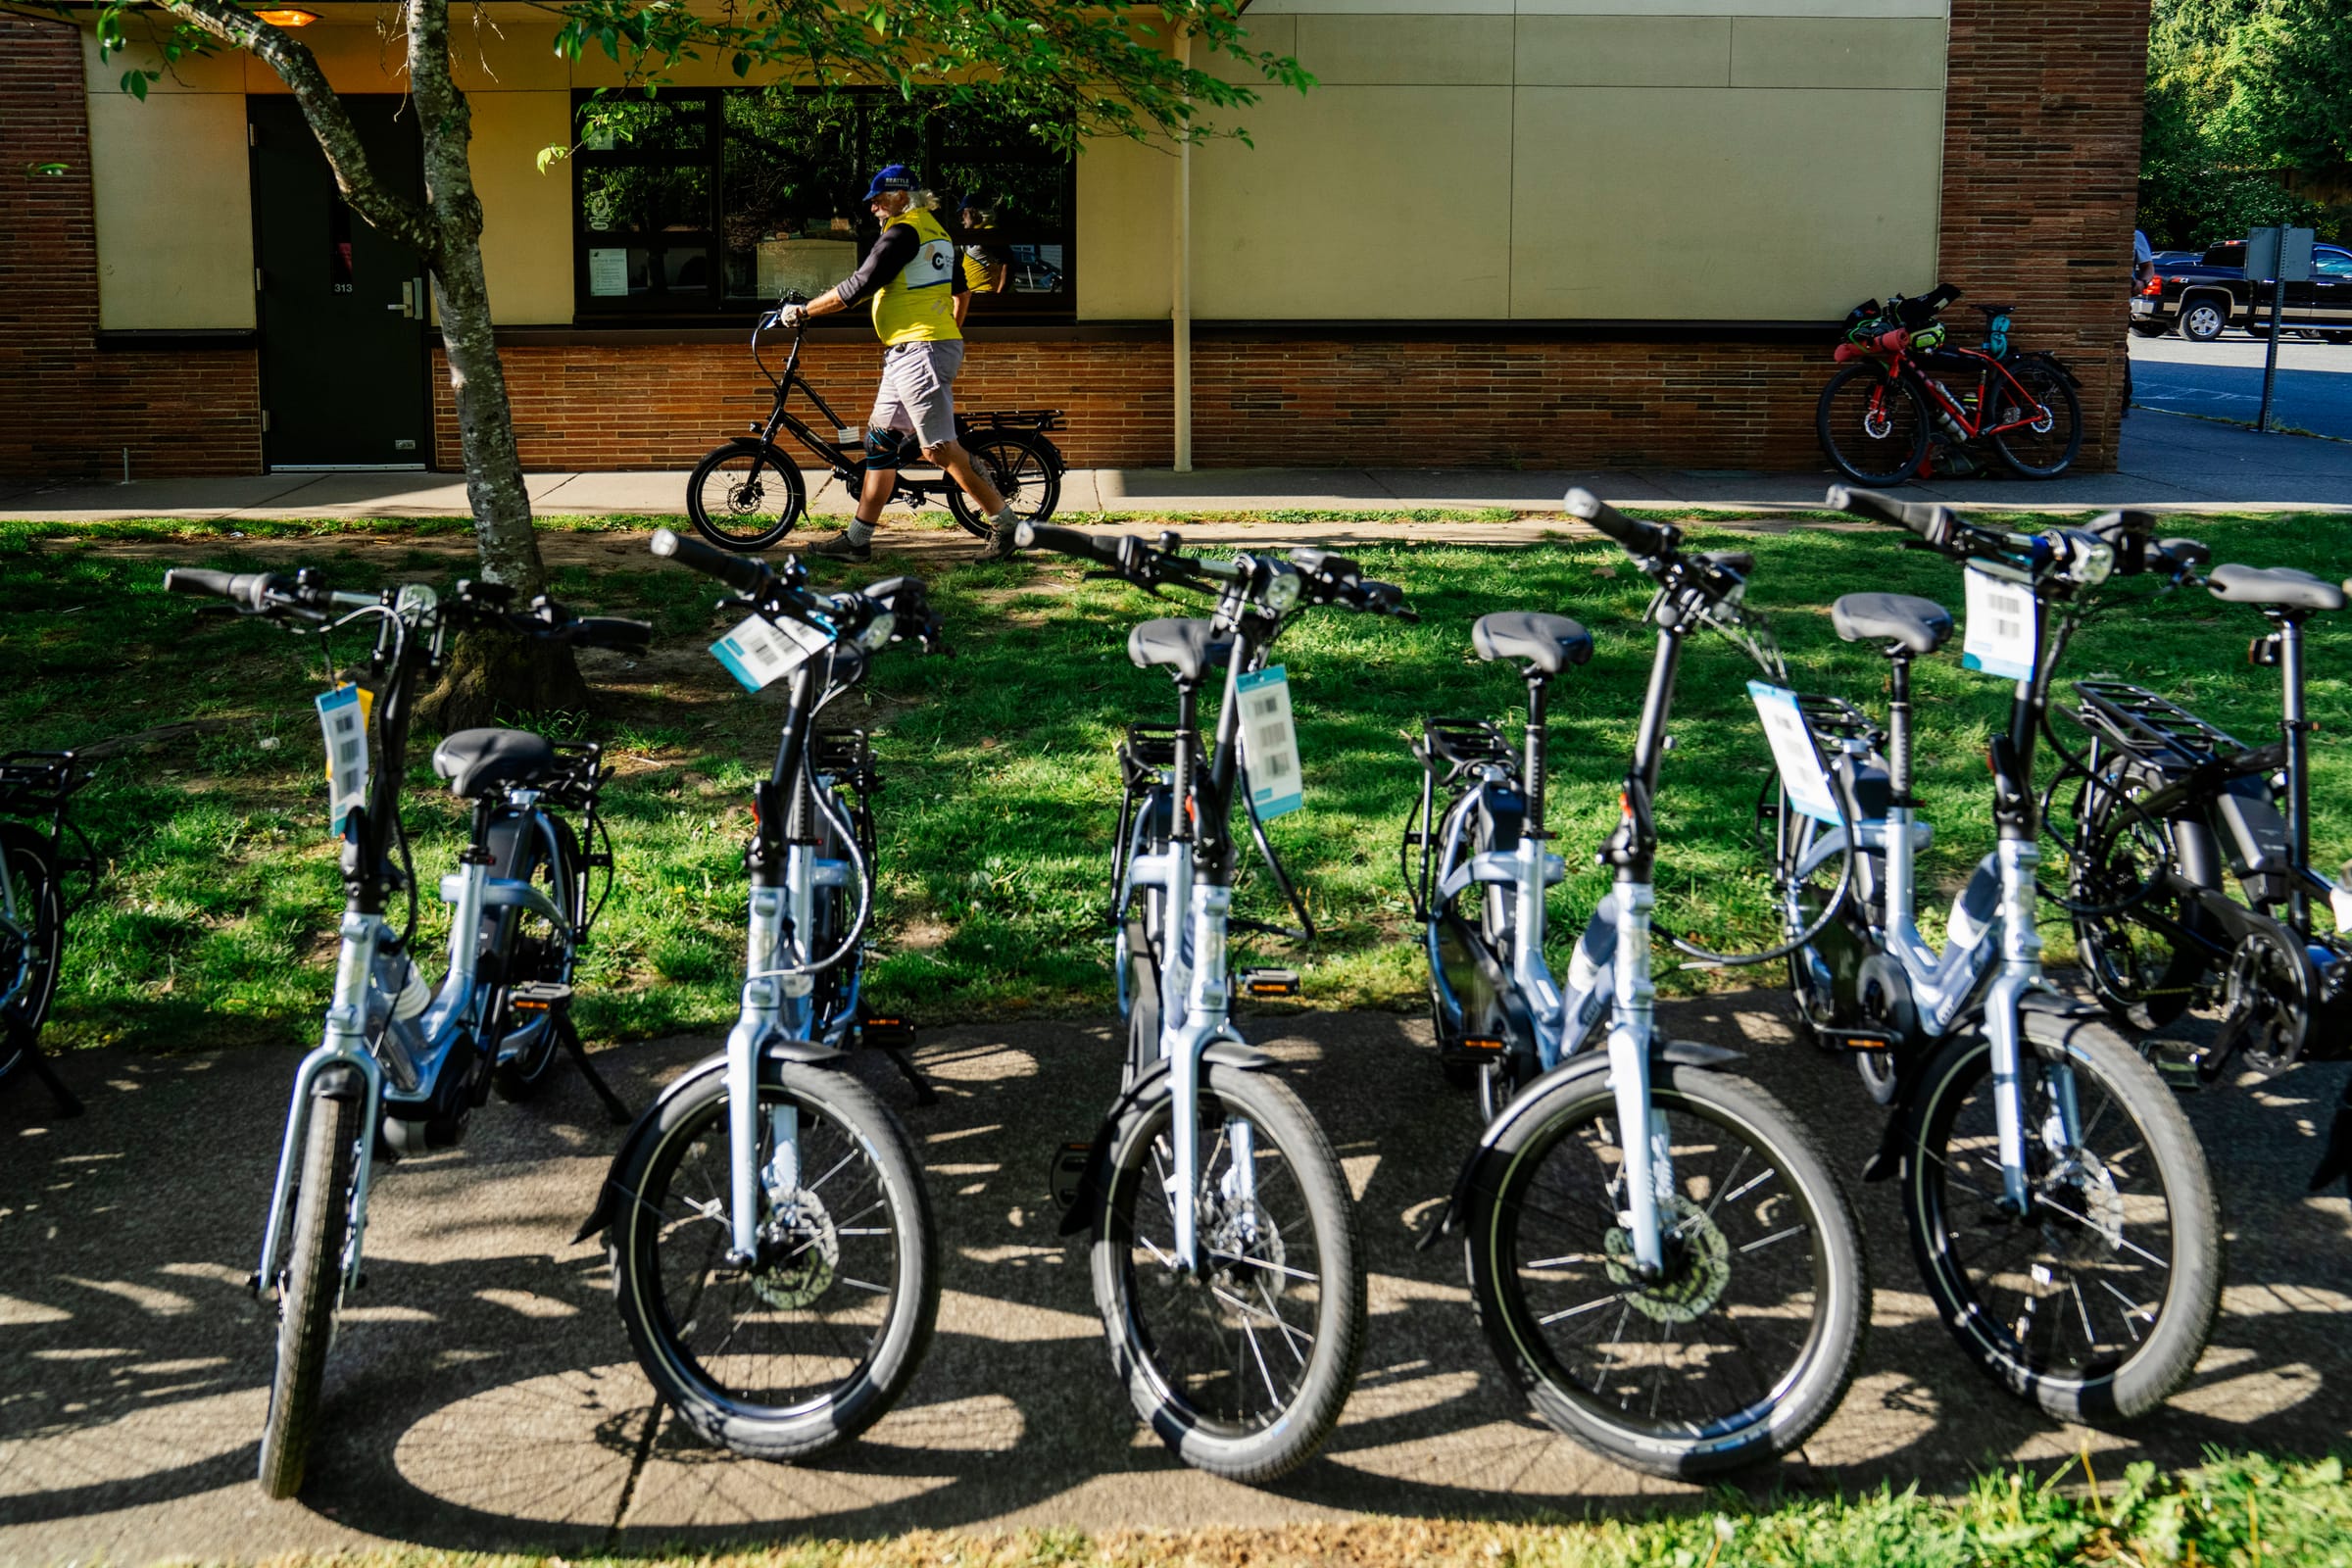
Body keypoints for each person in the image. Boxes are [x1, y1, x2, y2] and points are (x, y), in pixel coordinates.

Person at [780, 165, 1017, 563]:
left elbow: (855, 289)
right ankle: (858, 541)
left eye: (878, 199)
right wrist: (946, 331)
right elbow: (962, 293)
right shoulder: (937, 233)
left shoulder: (903, 233)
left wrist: (802, 311)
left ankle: (1008, 527)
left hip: (918, 349)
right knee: (881, 441)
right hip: (913, 348)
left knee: (940, 449)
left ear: (901, 196)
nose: (873, 207)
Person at [957, 193, 1012, 309]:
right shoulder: (974, 234)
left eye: (964, 212)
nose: (962, 217)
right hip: (972, 295)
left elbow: (1008, 263)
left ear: (974, 212)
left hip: (984, 295)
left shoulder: (988, 233)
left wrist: (999, 296)